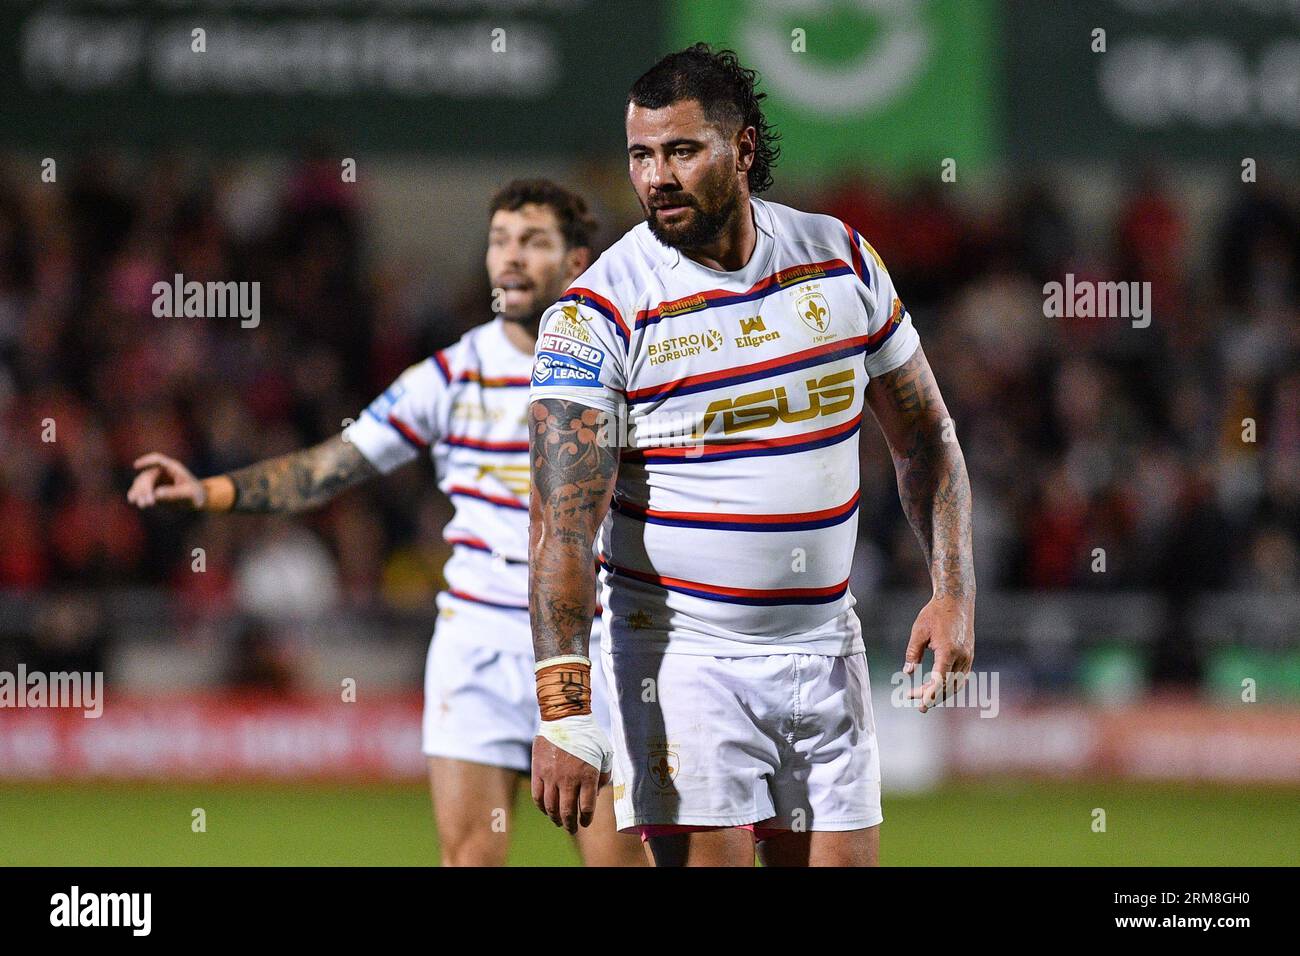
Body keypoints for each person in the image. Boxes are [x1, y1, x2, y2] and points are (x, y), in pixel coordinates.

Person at [526, 45, 975, 867]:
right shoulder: (598, 313)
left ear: (741, 148)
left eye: (681, 150)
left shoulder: (839, 259)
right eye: (641, 154)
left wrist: (953, 593)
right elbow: (561, 528)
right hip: (680, 654)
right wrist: (563, 710)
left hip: (824, 645)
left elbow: (928, 441)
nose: (657, 176)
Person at [129, 179, 644, 867]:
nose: (510, 258)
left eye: (533, 241)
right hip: (477, 646)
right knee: (469, 859)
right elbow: (331, 468)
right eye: (499, 242)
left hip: (588, 644)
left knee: (617, 862)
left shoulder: (621, 364)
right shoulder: (450, 374)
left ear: (577, 262)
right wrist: (209, 491)